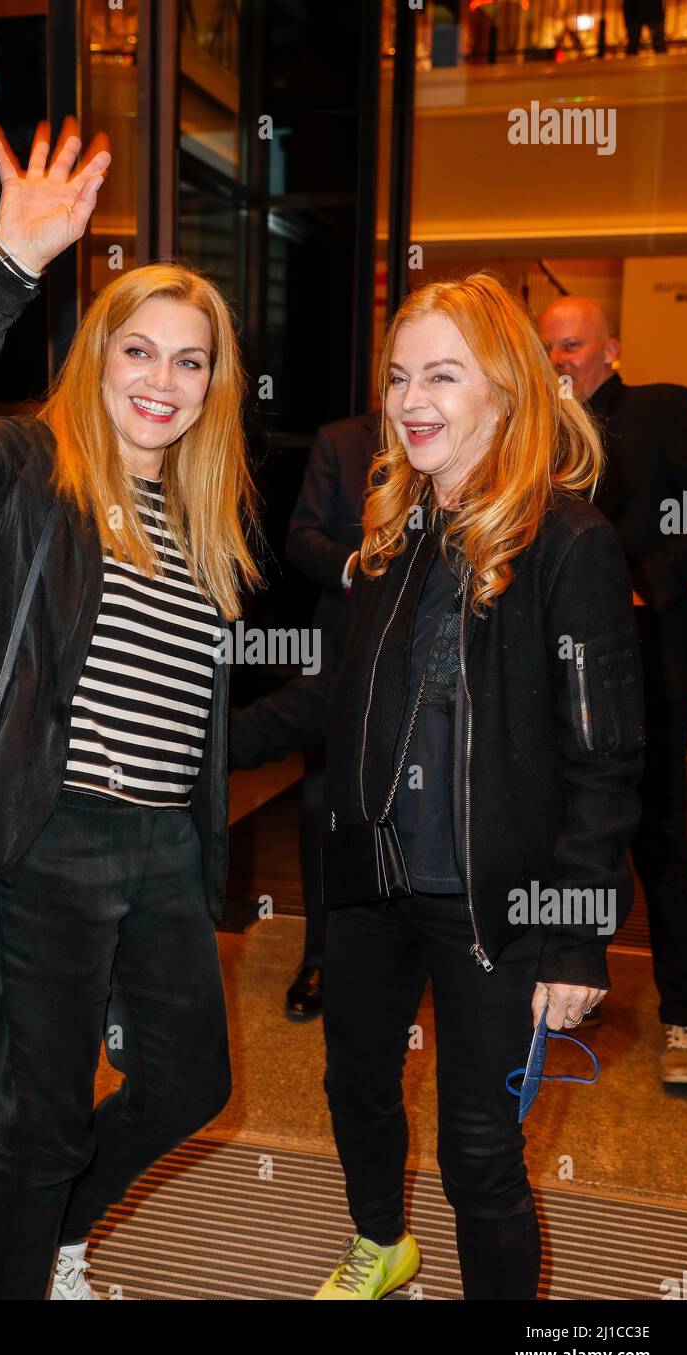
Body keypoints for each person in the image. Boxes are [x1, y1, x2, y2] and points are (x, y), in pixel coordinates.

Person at [0, 117, 262, 1300]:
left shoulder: (210, 522)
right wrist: (8, 266)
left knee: (191, 1082)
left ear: (213, 383)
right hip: (49, 840)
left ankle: (56, 1227)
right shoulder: (31, 474)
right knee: (38, 1119)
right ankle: (21, 1273)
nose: (162, 380)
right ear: (98, 360)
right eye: (137, 351)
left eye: (188, 360)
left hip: (162, 848)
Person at [231, 272, 645, 1300]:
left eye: (442, 375)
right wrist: (208, 737)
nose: (411, 397)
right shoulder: (399, 532)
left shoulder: (570, 543)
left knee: (478, 1153)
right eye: (399, 375)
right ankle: (381, 1241)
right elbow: (347, 688)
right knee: (352, 1086)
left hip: (494, 903)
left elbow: (603, 760)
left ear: (504, 390)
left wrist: (576, 931)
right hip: (372, 876)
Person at [539, 294, 687, 1084]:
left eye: (572, 345)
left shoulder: (664, 409)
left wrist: (648, 581)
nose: (560, 359)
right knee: (566, 828)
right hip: (552, 672)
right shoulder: (532, 426)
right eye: (550, 348)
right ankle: (577, 979)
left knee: (659, 837)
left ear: (613, 348)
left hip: (648, 661)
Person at [281, 413, 374, 1019]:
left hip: (438, 660)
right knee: (322, 805)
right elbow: (301, 537)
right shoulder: (340, 440)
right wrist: (358, 568)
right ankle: (319, 955)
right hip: (339, 651)